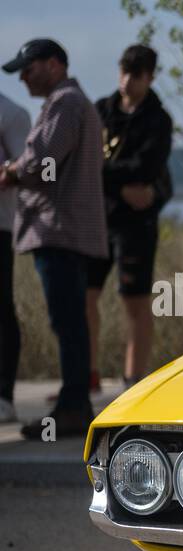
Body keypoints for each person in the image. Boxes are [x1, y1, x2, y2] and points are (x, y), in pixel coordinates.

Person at [0, 39, 107, 440]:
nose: (24, 78)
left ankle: (74, 406)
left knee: (67, 321)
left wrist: (10, 172)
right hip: (64, 229)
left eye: (29, 69)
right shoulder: (70, 101)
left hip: (59, 229)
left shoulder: (65, 103)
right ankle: (73, 402)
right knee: (69, 320)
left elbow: (44, 158)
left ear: (54, 64)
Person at [86, 44, 173, 393]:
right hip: (97, 218)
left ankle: (133, 380)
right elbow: (85, 163)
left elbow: (147, 167)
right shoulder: (102, 110)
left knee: (133, 299)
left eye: (135, 75)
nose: (126, 80)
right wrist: (121, 187)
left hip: (136, 224)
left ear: (150, 77)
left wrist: (106, 175)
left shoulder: (158, 118)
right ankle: (86, 376)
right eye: (123, 71)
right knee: (85, 295)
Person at [0, 91, 31, 424]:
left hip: (0, 226)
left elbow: (26, 170)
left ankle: (4, 396)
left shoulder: (11, 113)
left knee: (1, 308)